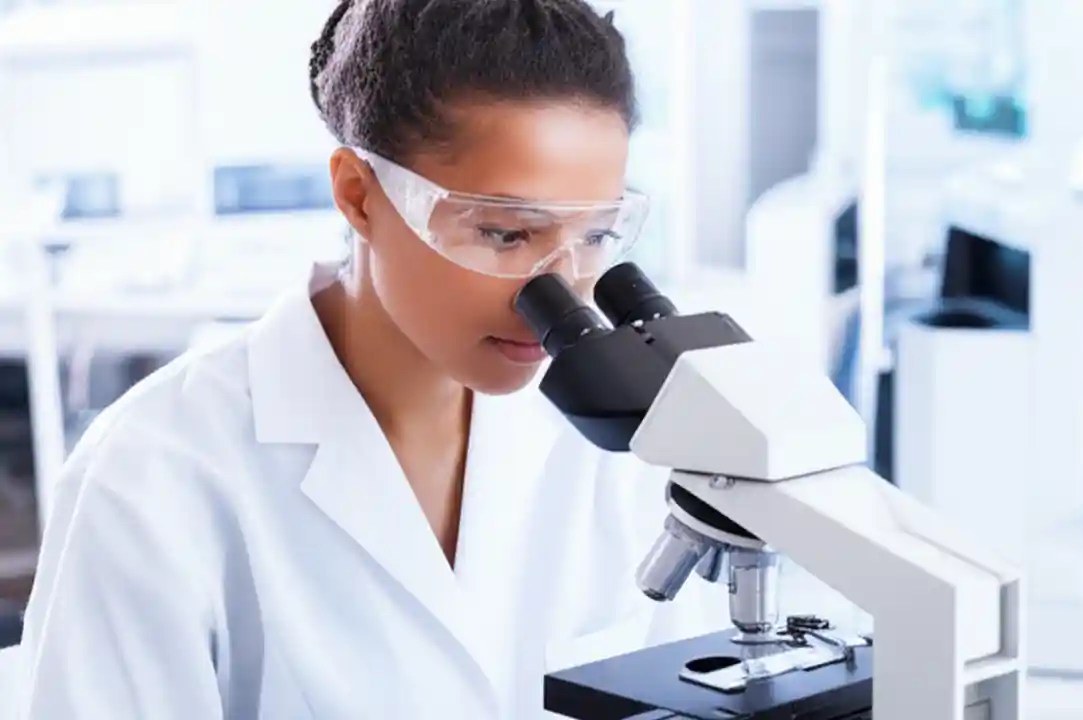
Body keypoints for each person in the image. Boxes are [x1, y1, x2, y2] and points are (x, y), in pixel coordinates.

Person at [6, 1, 717, 717]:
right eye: (505, 234)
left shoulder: (611, 444)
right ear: (359, 195)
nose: (562, 289)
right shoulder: (153, 474)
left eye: (596, 235)